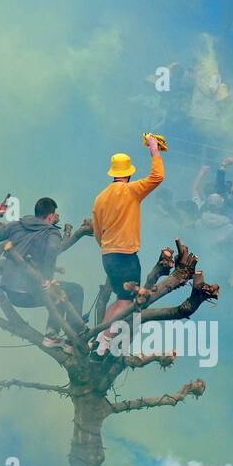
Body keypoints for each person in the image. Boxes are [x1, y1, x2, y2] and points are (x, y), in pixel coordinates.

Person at [91, 135, 164, 352]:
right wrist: (154, 149)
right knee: (128, 303)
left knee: (118, 300)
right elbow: (158, 176)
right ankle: (104, 343)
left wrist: (106, 248)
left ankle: (95, 337)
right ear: (129, 173)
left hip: (108, 255)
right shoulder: (131, 190)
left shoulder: (101, 197)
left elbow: (97, 231)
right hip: (126, 257)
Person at [0, 197, 84, 344]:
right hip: (29, 292)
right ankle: (74, 336)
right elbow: (52, 249)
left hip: (12, 293)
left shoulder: (17, 225)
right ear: (51, 216)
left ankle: (52, 334)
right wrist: (48, 278)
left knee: (59, 291)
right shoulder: (51, 232)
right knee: (75, 290)